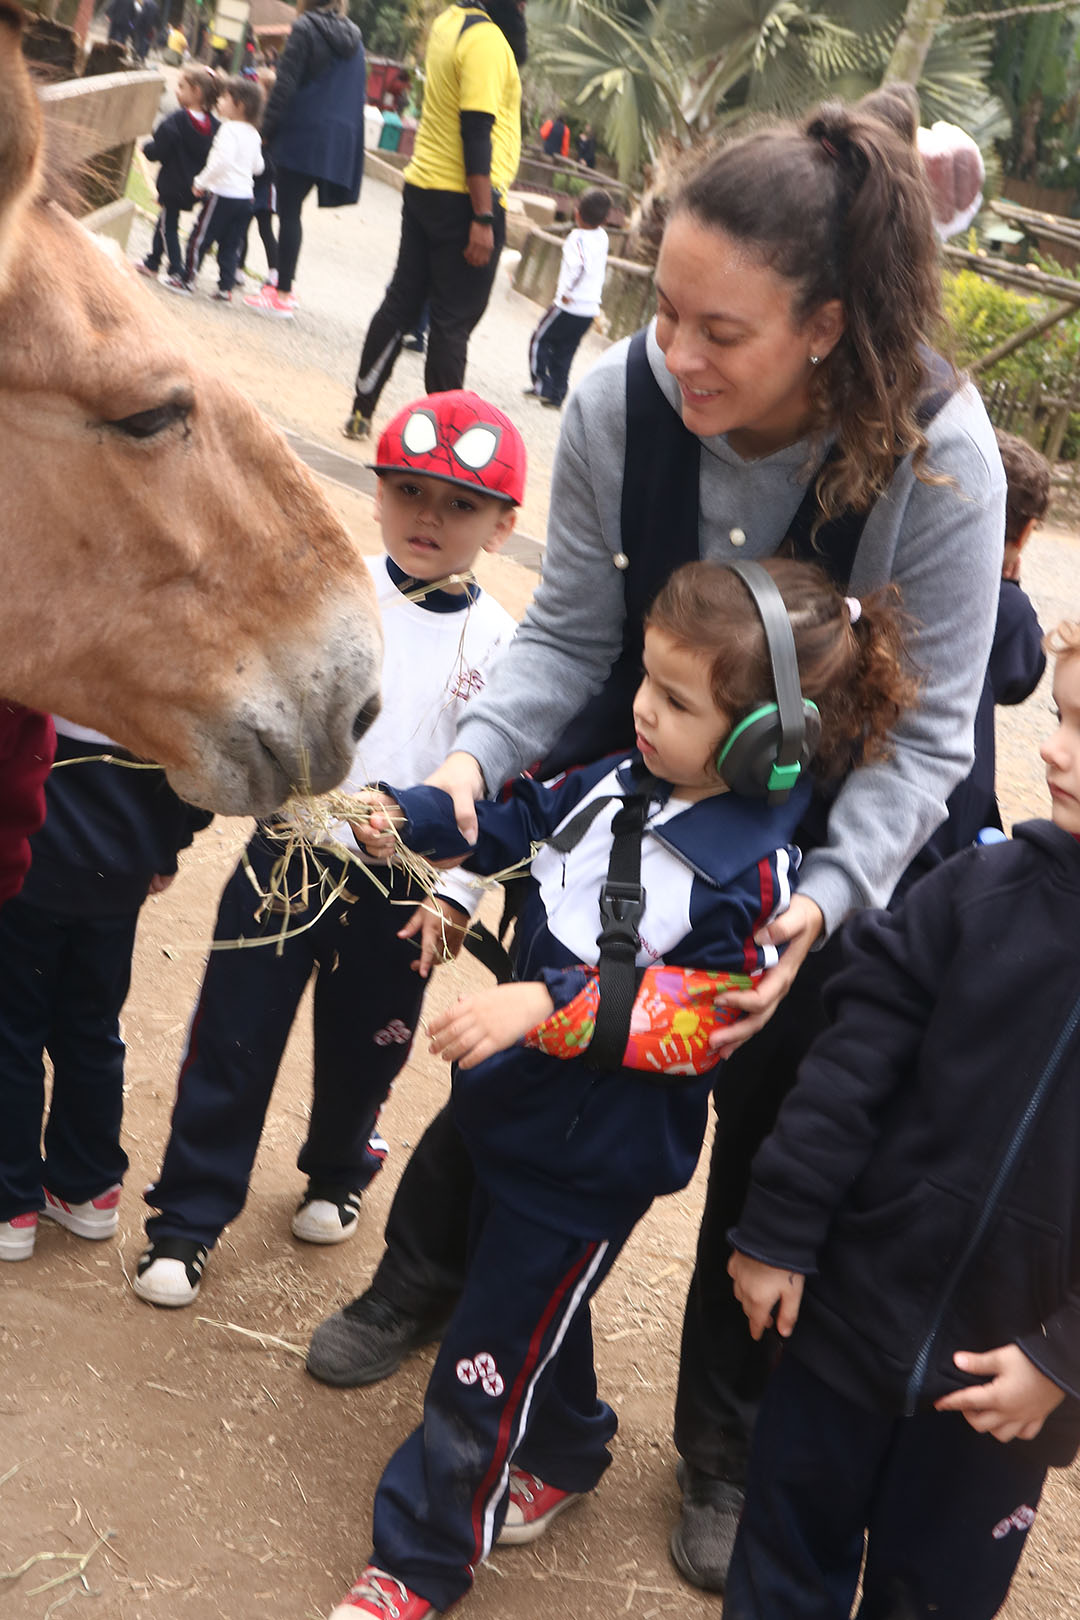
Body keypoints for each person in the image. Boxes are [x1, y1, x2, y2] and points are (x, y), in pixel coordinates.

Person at [305, 100, 1006, 1592]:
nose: (674, 354)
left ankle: (724, 1435)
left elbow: (930, 738)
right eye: (663, 310)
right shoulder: (631, 400)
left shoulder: (935, 454)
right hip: (647, 765)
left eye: (721, 331)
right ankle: (430, 1276)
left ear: (825, 327)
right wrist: (481, 763)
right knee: (528, 1049)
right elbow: (568, 631)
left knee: (773, 1132)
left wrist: (823, 902)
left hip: (829, 830)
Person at [323, 557, 916, 1620]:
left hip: (592, 1159)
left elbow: (697, 1020)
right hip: (515, 1119)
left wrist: (539, 1004)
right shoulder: (617, 780)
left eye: (678, 700)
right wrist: (412, 815)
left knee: (485, 1354)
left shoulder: (752, 880)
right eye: (647, 679)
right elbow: (514, 823)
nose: (642, 707)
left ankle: (418, 1560)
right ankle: (572, 1440)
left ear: (763, 743)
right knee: (541, 1297)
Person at [722, 617, 1080, 1620]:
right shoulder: (976, 889)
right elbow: (848, 1068)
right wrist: (780, 1230)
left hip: (1002, 1396)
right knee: (783, 1559)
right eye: (1060, 715)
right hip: (843, 1320)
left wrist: (1064, 1361)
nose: (1051, 747)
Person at [132, 390, 521, 1310]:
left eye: (460, 505)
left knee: (366, 1051)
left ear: (502, 526)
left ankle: (341, 1167)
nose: (428, 517)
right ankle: (186, 1222)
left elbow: (495, 790)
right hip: (289, 858)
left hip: (399, 890)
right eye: (409, 490)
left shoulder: (501, 644)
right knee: (230, 1039)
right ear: (377, 492)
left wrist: (452, 895)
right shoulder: (332, 592)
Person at [0, 719, 209, 1263]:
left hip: (30, 861)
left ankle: (11, 1203)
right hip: (119, 868)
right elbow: (202, 767)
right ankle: (88, 1187)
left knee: (11, 1030)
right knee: (92, 1028)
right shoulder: (168, 653)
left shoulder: (43, 644)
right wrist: (166, 845)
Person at [342, 0, 527, 442]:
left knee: (402, 301)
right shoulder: (486, 41)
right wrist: (483, 215)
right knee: (452, 322)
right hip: (465, 200)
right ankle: (444, 440)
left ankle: (361, 410)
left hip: (424, 187)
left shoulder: (449, 23)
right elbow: (475, 129)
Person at [893, 424, 1048, 897]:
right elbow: (1022, 676)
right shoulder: (1007, 605)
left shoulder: (903, 580)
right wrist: (1011, 586)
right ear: (1024, 532)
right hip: (954, 802)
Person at [244, 0, 366, 320]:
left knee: (288, 212)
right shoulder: (354, 36)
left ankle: (282, 292)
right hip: (333, 140)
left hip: (301, 133)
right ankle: (283, 289)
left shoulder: (305, 28)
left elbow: (284, 84)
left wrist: (265, 131)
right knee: (291, 213)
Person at [173, 75, 264, 302]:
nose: (220, 102)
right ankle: (225, 287)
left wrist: (200, 182)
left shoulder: (228, 130)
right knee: (231, 243)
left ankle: (187, 279)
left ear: (239, 105)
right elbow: (258, 166)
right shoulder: (254, 134)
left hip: (222, 194)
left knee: (199, 237)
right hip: (245, 198)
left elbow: (220, 162)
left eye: (225, 98)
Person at [525, 185, 610, 409]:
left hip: (569, 305)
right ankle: (556, 395)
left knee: (539, 339)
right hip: (589, 309)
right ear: (605, 219)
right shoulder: (603, 237)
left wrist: (566, 293)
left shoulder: (577, 238)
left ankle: (542, 385)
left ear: (577, 213)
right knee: (565, 350)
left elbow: (580, 267)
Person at [137, 67, 219, 286]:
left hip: (173, 183)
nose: (177, 91)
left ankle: (176, 268)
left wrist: (147, 149)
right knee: (165, 220)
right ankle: (153, 261)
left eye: (181, 87)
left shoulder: (178, 120)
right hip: (194, 185)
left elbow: (161, 148)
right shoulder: (214, 126)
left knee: (168, 226)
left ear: (196, 91)